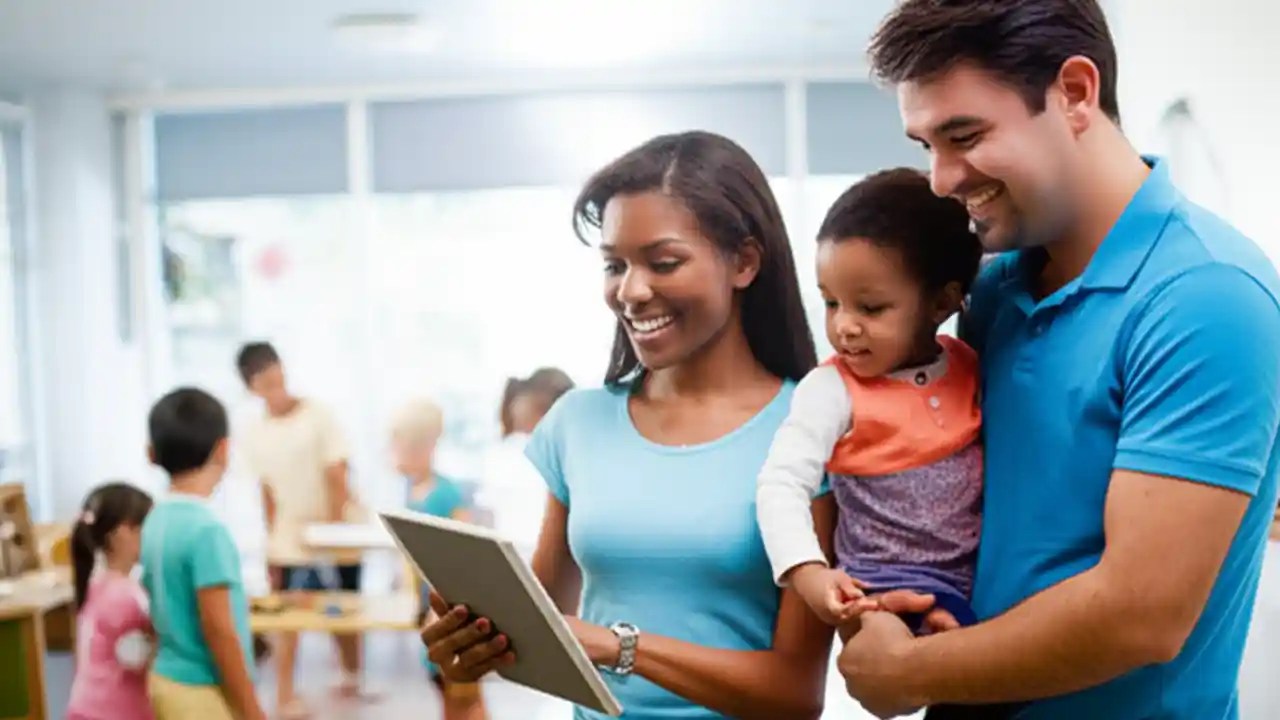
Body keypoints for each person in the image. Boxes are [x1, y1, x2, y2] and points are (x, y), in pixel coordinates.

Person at [837, 2, 1280, 718]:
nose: (941, 179)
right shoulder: (991, 283)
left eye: (964, 135)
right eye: (925, 144)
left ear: (1074, 91)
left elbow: (1141, 614)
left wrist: (914, 670)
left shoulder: (1207, 296)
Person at [421, 130, 836, 720]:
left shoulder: (809, 429)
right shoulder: (578, 424)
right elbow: (541, 630)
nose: (631, 291)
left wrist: (620, 647)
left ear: (744, 261)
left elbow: (795, 694)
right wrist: (470, 645)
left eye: (663, 262)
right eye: (614, 264)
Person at [756, 168, 983, 638]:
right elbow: (781, 483)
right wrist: (809, 573)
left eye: (870, 307)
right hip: (876, 587)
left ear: (943, 302)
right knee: (888, 654)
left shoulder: (968, 366)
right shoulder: (831, 389)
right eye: (831, 302)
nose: (844, 326)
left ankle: (939, 626)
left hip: (971, 583)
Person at [234, 342, 367, 717]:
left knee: (345, 607)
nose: (276, 388)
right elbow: (266, 493)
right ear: (251, 387)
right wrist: (272, 541)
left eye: (278, 378)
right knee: (286, 614)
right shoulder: (255, 431)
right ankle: (284, 693)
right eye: (265, 383)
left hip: (336, 525)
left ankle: (351, 678)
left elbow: (338, 474)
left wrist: (335, 531)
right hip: (290, 534)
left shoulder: (318, 415)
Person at [141, 388, 266, 720]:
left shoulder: (155, 519)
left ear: (151, 453)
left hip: (165, 680)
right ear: (224, 450)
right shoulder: (207, 531)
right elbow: (219, 631)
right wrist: (252, 710)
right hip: (203, 692)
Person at [389, 397, 487, 720]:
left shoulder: (445, 493)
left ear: (423, 448)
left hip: (449, 608)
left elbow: (466, 552)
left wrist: (442, 606)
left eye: (401, 446)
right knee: (442, 686)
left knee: (465, 695)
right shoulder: (411, 492)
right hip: (427, 606)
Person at [66, 482, 156, 720]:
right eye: (149, 527)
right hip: (114, 711)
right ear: (124, 530)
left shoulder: (98, 585)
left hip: (87, 708)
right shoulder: (122, 596)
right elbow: (134, 656)